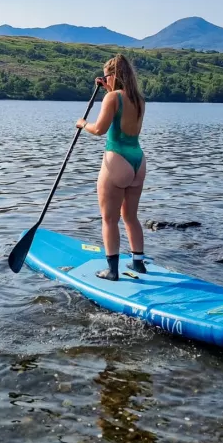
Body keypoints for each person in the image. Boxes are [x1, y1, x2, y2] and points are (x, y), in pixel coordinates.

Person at [76, 53, 147, 281]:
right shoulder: (139, 99)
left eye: (107, 76)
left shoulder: (112, 98)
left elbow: (99, 130)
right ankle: (138, 263)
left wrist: (83, 123)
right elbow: (122, 113)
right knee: (131, 216)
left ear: (113, 75)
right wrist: (109, 89)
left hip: (117, 160)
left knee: (109, 219)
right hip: (138, 160)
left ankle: (112, 271)